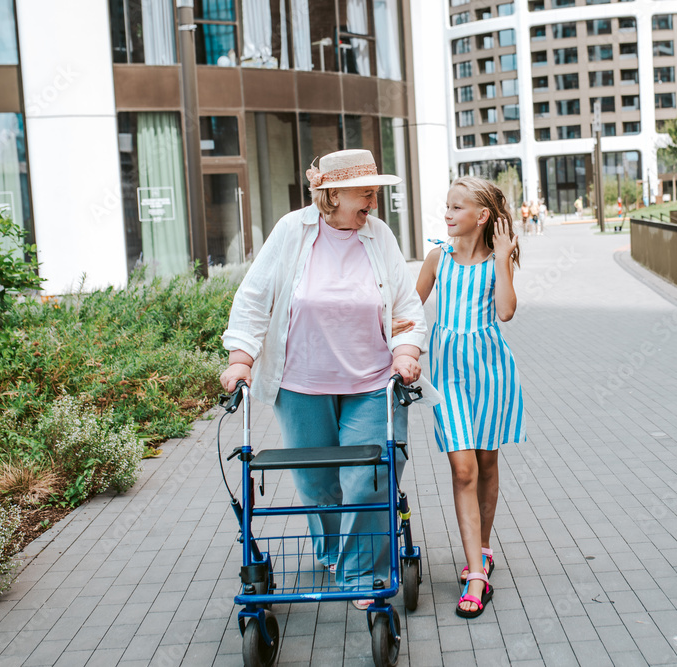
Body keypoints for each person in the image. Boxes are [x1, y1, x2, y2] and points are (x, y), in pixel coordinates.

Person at [220, 149, 427, 608]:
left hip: (373, 381)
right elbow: (254, 297)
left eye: (375, 192)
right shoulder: (292, 231)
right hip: (300, 384)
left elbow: (407, 308)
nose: (373, 201)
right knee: (316, 482)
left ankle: (360, 574)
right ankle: (334, 552)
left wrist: (407, 352)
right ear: (331, 195)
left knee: (369, 477)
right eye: (365, 192)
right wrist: (240, 358)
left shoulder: (379, 236)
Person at [415, 176, 527, 619]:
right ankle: (477, 574)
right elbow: (410, 310)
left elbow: (505, 311)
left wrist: (502, 260)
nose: (447, 214)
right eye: (446, 206)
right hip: (449, 380)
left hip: (490, 374)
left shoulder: (498, 261)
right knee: (463, 470)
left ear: (481, 216)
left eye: (456, 208)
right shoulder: (437, 258)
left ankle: (480, 548)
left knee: (486, 463)